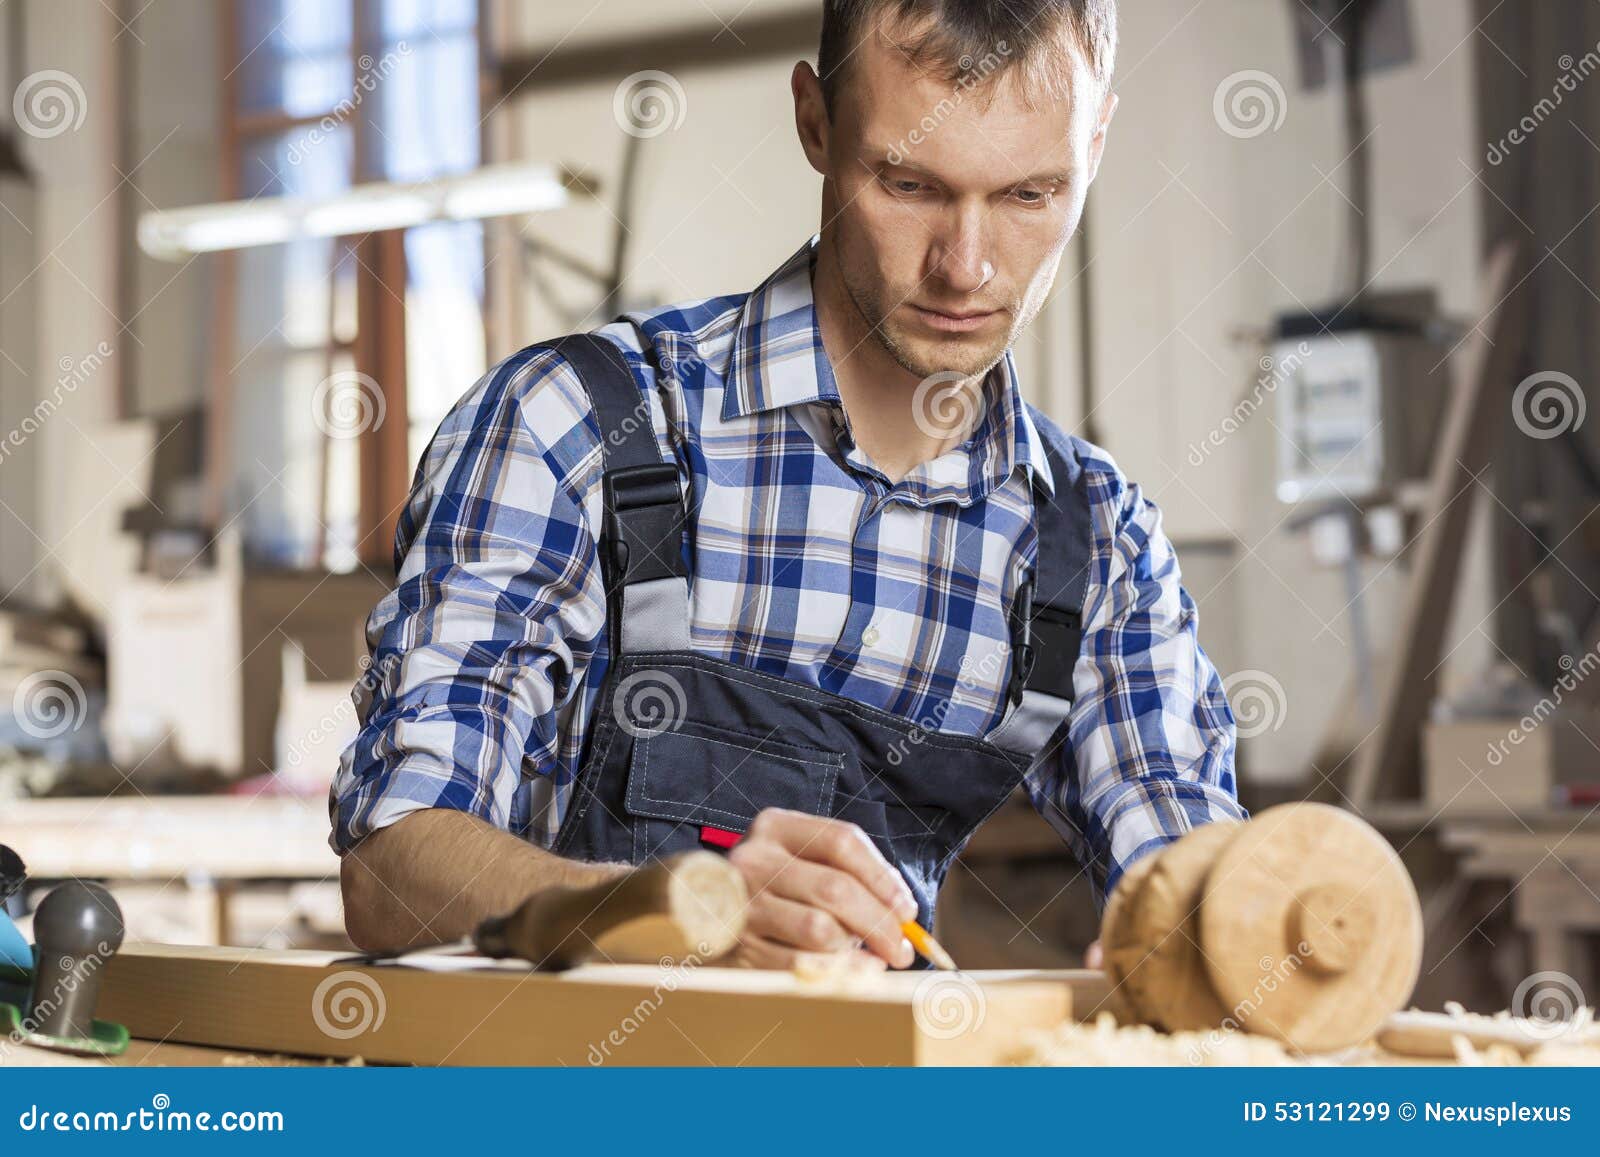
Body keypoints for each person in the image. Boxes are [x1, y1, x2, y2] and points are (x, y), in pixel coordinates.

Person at [333, 0, 1245, 970]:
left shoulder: (1095, 543)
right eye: (908, 183)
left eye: (1030, 195)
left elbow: (1198, 880)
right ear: (816, 122)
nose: (965, 266)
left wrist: (1218, 942)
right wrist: (685, 907)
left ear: (1095, 141)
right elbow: (394, 867)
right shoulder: (576, 424)